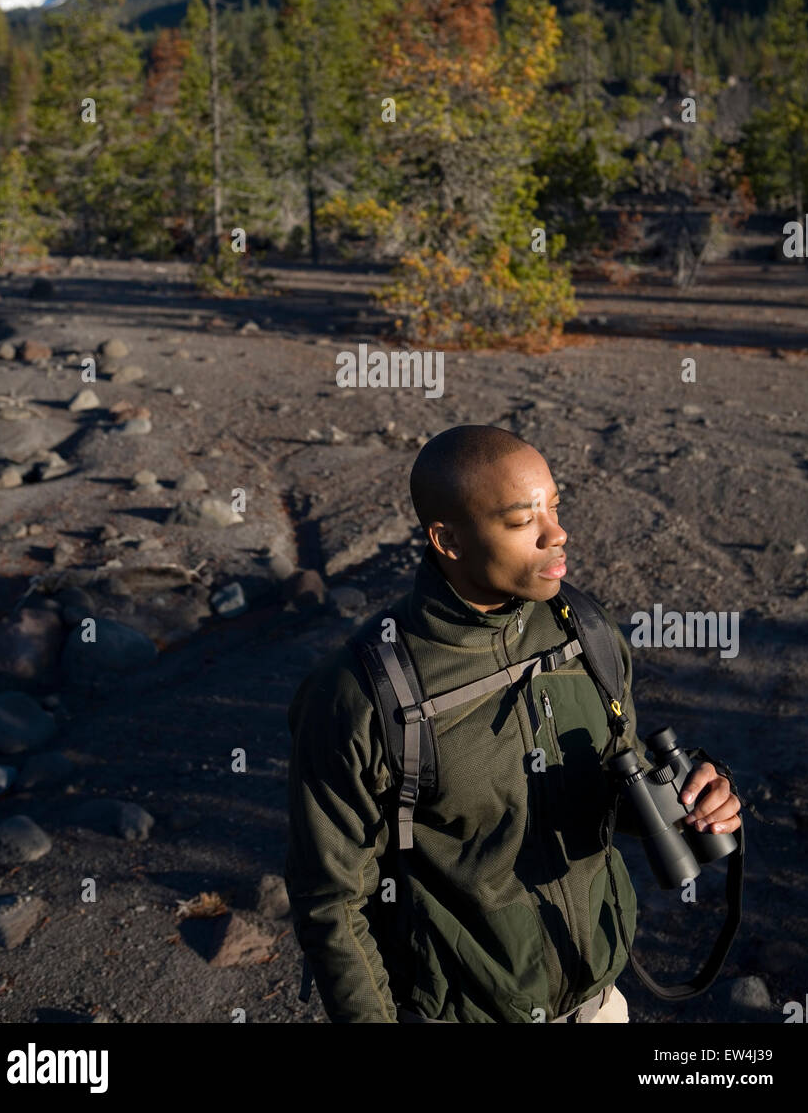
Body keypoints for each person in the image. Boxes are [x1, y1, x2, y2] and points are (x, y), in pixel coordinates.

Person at [285, 425, 742, 1023]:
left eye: (555, 506)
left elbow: (612, 787)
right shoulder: (361, 693)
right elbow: (332, 901)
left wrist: (691, 801)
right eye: (523, 520)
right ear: (447, 539)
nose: (558, 533)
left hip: (600, 1004)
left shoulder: (585, 630)